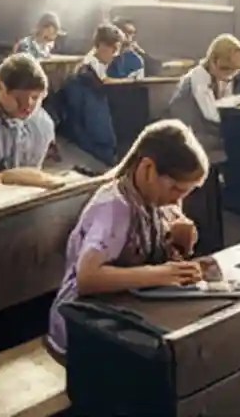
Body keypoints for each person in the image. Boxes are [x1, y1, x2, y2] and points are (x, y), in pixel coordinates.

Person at [46, 120, 207, 359]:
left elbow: (154, 254)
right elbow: (87, 278)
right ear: (148, 169)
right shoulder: (114, 205)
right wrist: (163, 273)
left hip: (125, 305)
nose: (177, 201)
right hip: (80, 322)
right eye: (175, 189)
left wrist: (177, 242)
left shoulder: (155, 200)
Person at [167, 33, 240, 158]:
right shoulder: (196, 81)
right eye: (227, 70)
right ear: (213, 61)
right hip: (193, 141)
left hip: (211, 138)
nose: (230, 76)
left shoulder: (220, 77)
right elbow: (212, 117)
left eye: (236, 71)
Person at [0, 54, 57, 176]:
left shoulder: (44, 123)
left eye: (35, 97)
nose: (26, 105)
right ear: (0, 90)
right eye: (18, 98)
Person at [60, 25, 127, 166]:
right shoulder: (83, 75)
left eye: (118, 50)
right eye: (113, 49)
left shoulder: (103, 68)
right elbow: (81, 120)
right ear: (101, 45)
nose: (115, 55)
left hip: (103, 142)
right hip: (92, 145)